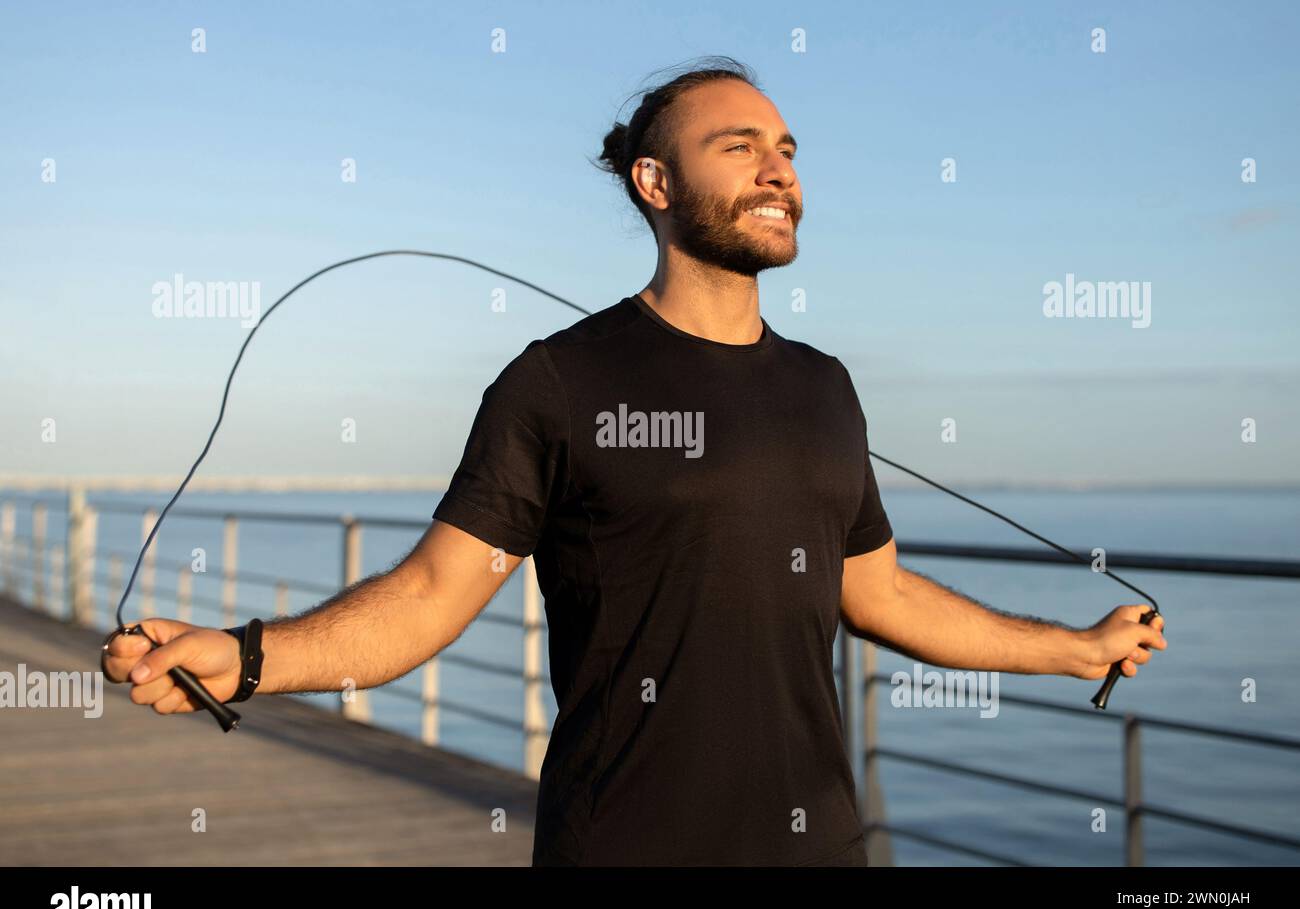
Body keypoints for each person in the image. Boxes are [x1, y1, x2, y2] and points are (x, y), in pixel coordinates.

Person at [102, 55, 1167, 867]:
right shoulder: (556, 383)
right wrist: (246, 656)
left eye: (789, 149)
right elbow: (429, 597)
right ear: (653, 182)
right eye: (739, 145)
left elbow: (878, 590)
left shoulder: (824, 385)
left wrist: (1073, 648)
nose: (778, 169)